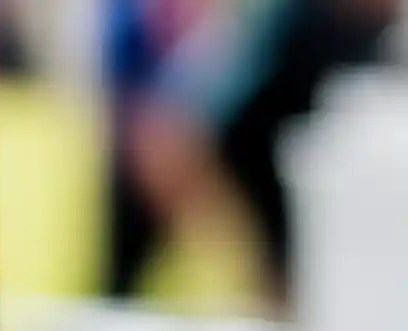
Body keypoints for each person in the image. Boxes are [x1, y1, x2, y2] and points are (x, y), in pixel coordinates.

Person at [105, 0, 397, 303]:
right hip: (225, 207)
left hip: (311, 241)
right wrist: (243, 257)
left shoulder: (383, 46)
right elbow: (166, 138)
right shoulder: (274, 26)